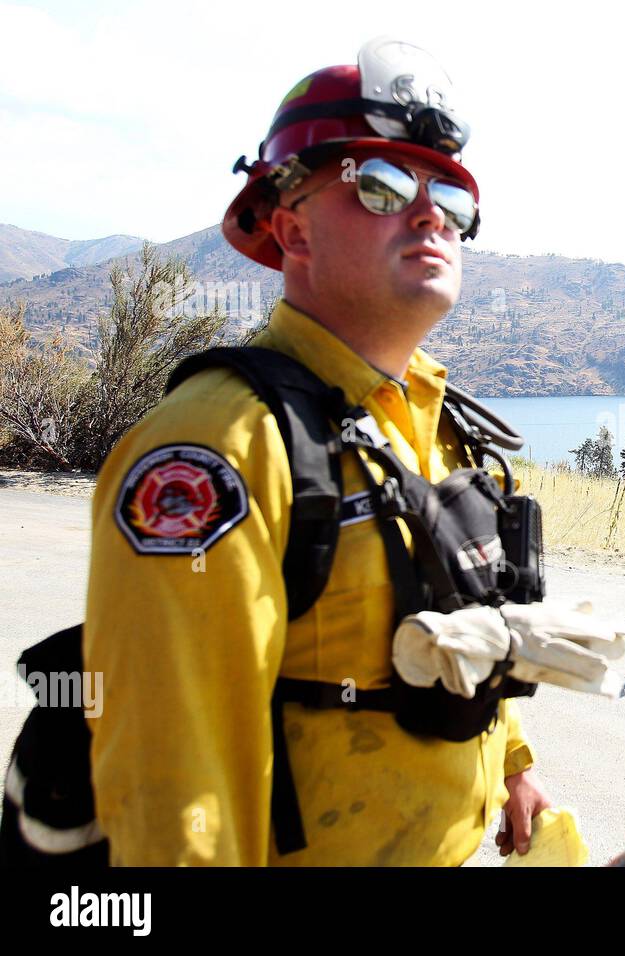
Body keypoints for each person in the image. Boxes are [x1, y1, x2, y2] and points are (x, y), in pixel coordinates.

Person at [82, 39, 555, 865]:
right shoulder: (216, 447)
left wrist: (512, 768)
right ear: (291, 228)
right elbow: (174, 794)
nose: (430, 212)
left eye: (448, 192)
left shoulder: (432, 423)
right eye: (382, 184)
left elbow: (455, 622)